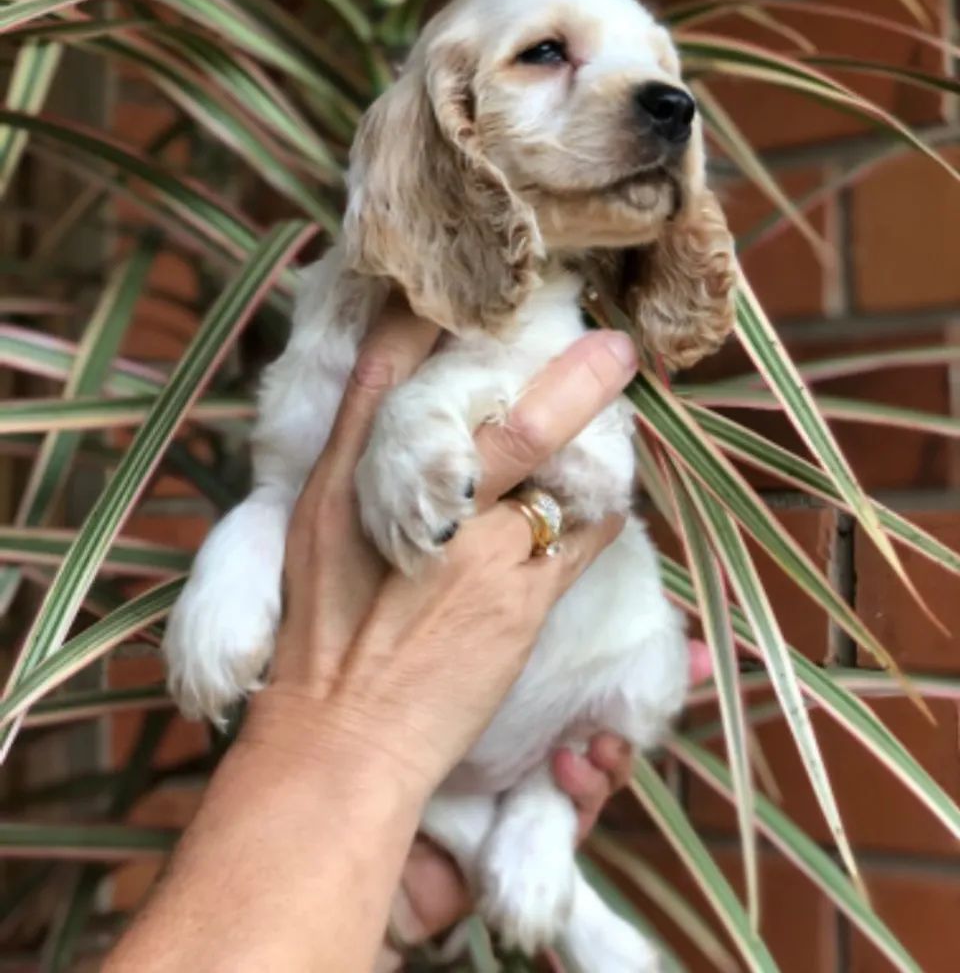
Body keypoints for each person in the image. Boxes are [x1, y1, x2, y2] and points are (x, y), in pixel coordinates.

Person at [106, 298, 708, 972]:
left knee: (638, 673)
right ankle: (539, 863)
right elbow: (297, 492)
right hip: (419, 780)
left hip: (567, 689)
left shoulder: (546, 321)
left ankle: (541, 806)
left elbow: (599, 472)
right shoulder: (330, 340)